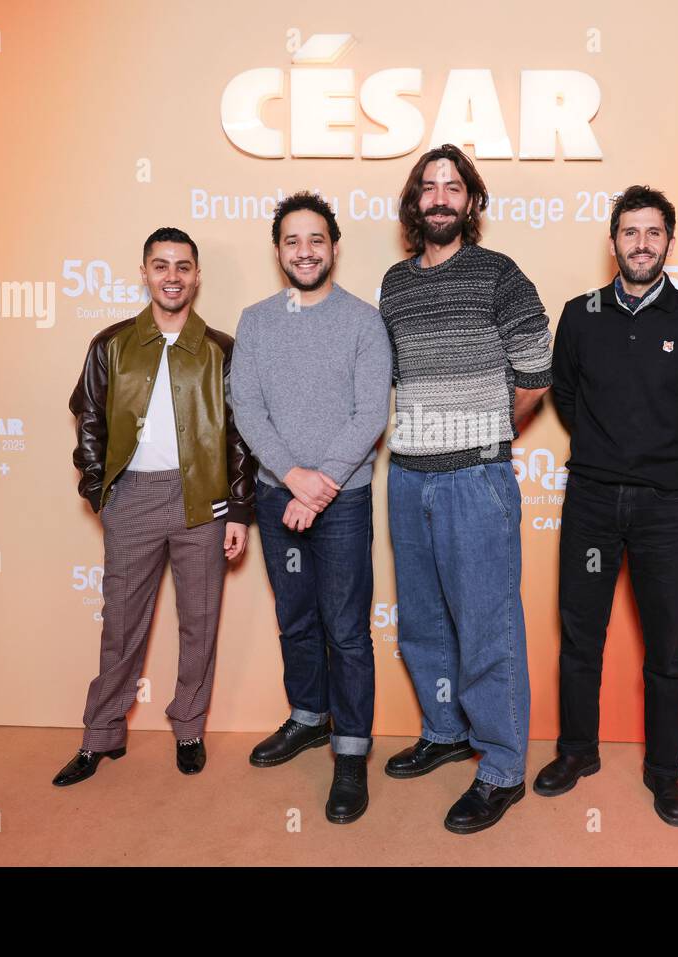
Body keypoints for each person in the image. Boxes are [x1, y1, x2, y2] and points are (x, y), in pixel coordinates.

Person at [540, 186, 678, 825]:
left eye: (653, 233)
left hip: (666, 509)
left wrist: (657, 462)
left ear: (668, 241)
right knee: (580, 636)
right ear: (613, 240)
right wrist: (609, 452)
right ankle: (577, 752)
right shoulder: (580, 315)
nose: (641, 244)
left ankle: (664, 773)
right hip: (592, 502)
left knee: (670, 647)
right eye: (630, 232)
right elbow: (565, 396)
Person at [378, 144, 551, 834]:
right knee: (422, 620)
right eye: (429, 187)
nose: (441, 197)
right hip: (408, 474)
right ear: (414, 202)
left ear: (471, 201)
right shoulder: (395, 282)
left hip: (475, 477)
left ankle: (504, 766)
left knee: (487, 622)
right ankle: (446, 729)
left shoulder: (499, 275)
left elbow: (535, 375)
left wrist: (480, 435)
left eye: (454, 187)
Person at [53, 227, 256, 787]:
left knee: (201, 622)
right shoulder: (111, 344)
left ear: (196, 276)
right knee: (120, 625)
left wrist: (238, 510)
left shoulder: (222, 349)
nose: (172, 276)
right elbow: (88, 419)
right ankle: (101, 735)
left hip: (205, 501)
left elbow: (240, 435)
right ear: (144, 272)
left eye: (183, 266)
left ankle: (189, 726)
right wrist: (100, 493)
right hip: (133, 498)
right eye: (161, 265)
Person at [230, 192, 392, 824]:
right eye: (293, 241)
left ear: (333, 246)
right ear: (278, 251)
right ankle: (307, 717)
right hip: (277, 499)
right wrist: (293, 481)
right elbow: (248, 409)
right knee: (296, 619)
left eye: (316, 239)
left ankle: (351, 751)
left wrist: (319, 486)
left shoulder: (363, 321)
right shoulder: (256, 321)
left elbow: (369, 414)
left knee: (347, 631)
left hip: (343, 504)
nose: (305, 251)